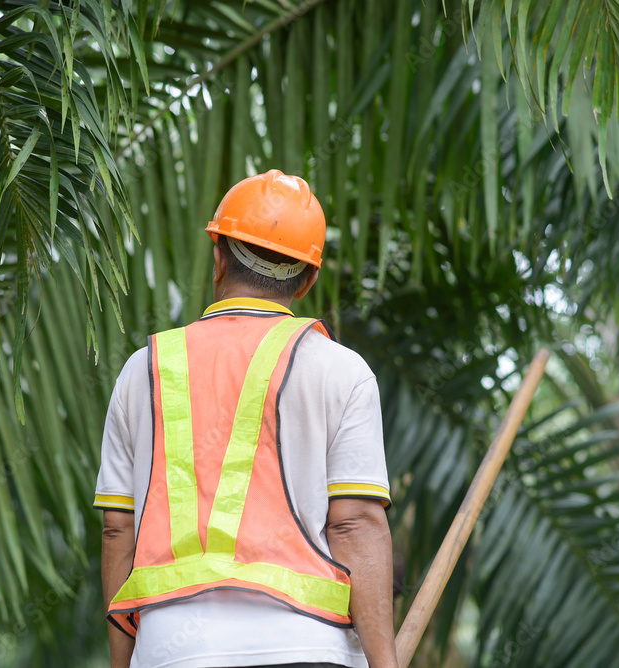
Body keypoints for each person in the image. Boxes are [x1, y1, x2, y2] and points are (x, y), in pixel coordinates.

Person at [95, 169, 396, 668]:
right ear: (308, 279)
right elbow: (356, 526)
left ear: (218, 257)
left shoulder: (143, 368)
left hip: (172, 650)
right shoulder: (342, 371)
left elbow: (116, 532)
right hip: (305, 645)